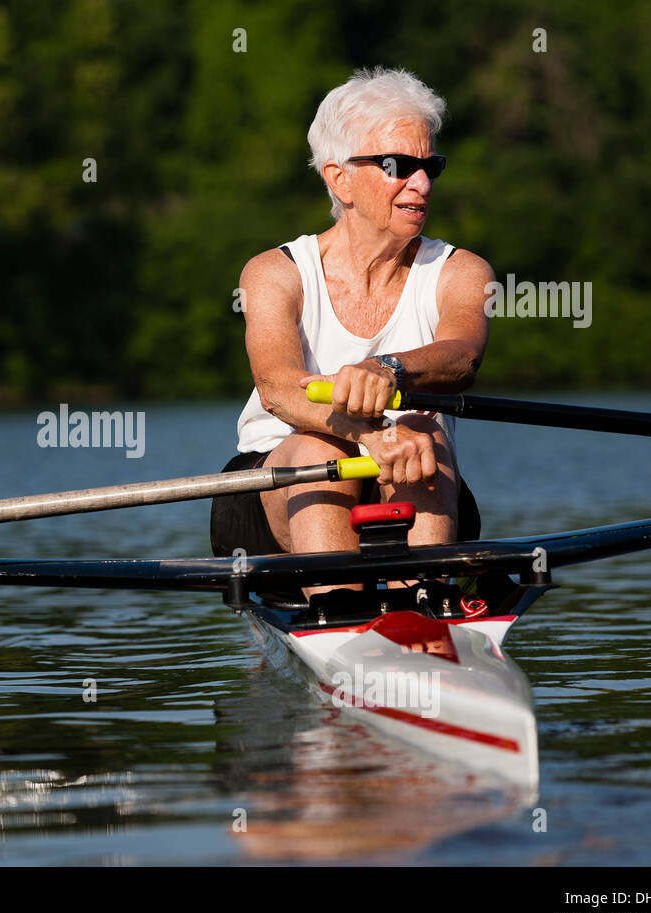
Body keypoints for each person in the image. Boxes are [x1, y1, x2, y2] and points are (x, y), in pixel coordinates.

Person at [210, 67, 492, 580]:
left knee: (421, 431)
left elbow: (462, 356)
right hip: (276, 488)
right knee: (323, 446)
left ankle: (424, 605)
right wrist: (368, 436)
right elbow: (279, 389)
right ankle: (339, 605)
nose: (423, 183)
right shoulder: (274, 272)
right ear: (338, 178)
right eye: (397, 166)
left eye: (431, 166)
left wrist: (389, 369)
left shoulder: (461, 271)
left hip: (416, 469)